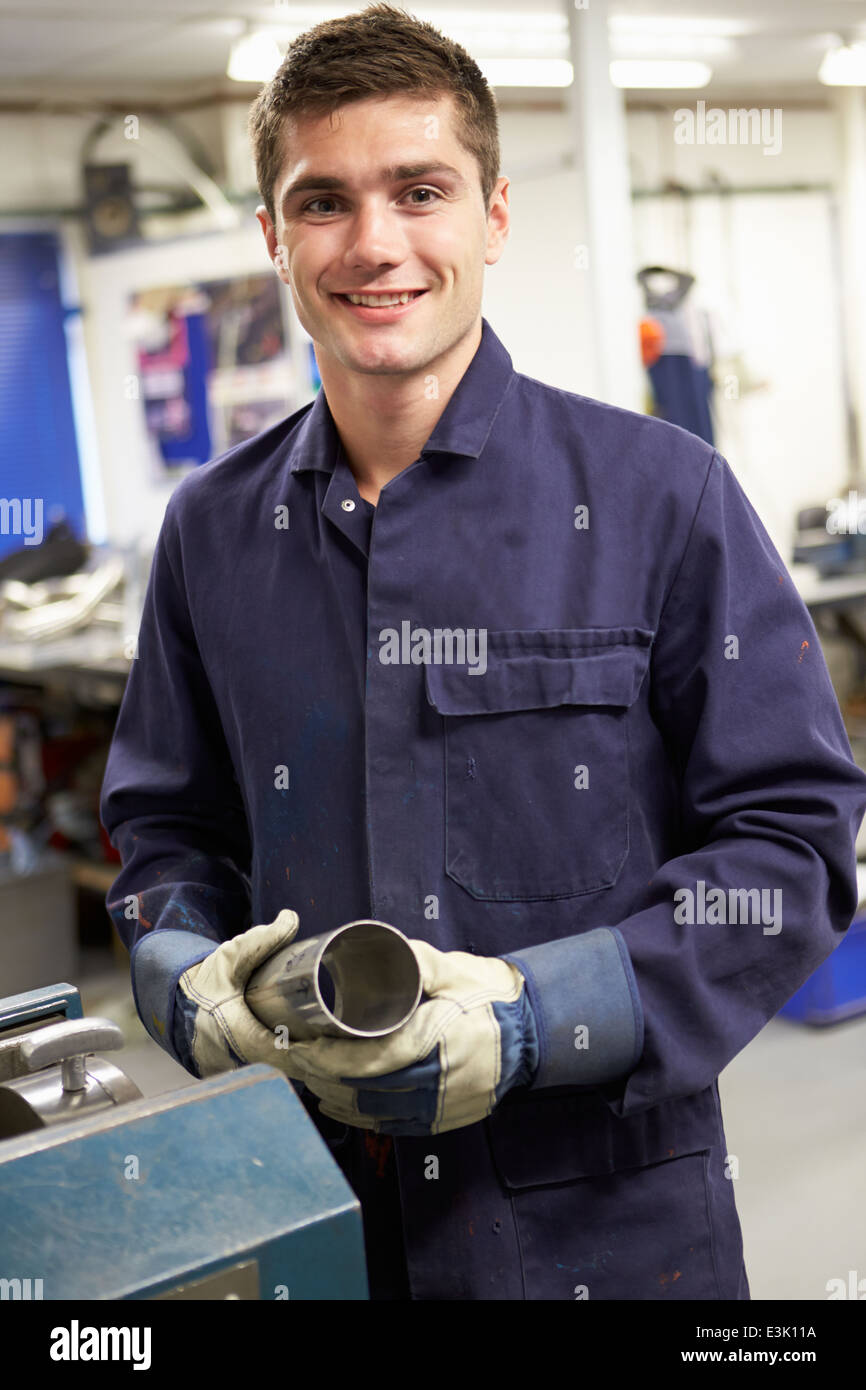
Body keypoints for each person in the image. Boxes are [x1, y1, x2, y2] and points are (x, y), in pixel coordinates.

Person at [100, 3, 866, 1301]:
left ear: (493, 216)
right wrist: (182, 974)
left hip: (612, 1237)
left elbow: (792, 848)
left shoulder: (658, 498)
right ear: (274, 236)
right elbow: (166, 830)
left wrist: (532, 1013)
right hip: (314, 1217)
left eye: (420, 190)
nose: (375, 243)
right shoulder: (214, 534)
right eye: (324, 200)